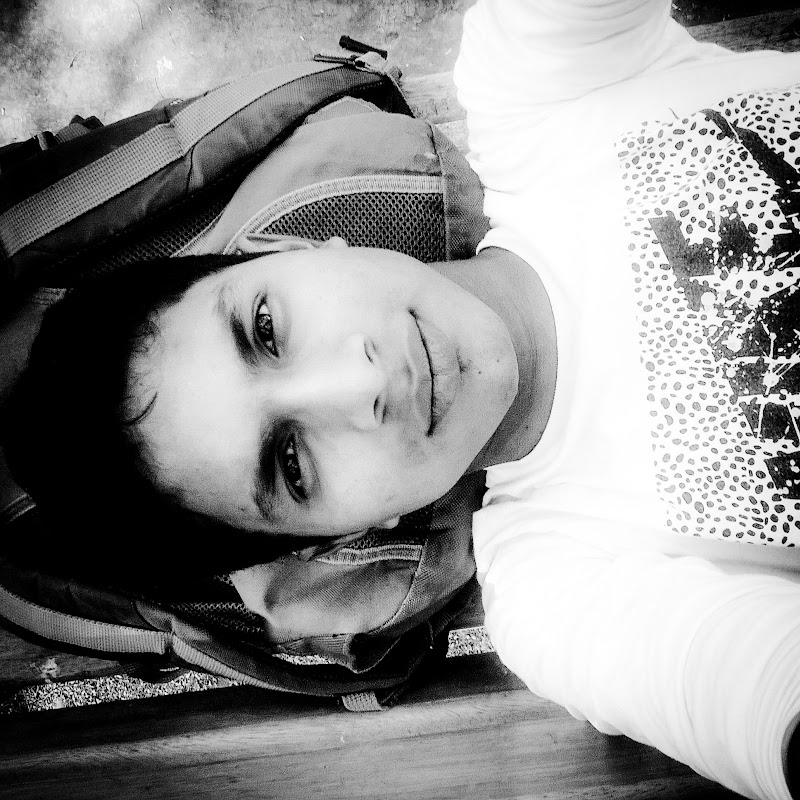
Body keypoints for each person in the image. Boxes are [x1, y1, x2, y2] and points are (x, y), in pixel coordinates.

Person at [2, 1, 800, 798]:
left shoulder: (539, 91)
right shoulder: (564, 598)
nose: (361, 385)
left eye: (268, 328)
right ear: (343, 533)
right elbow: (755, 696)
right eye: (291, 463)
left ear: (300, 247)